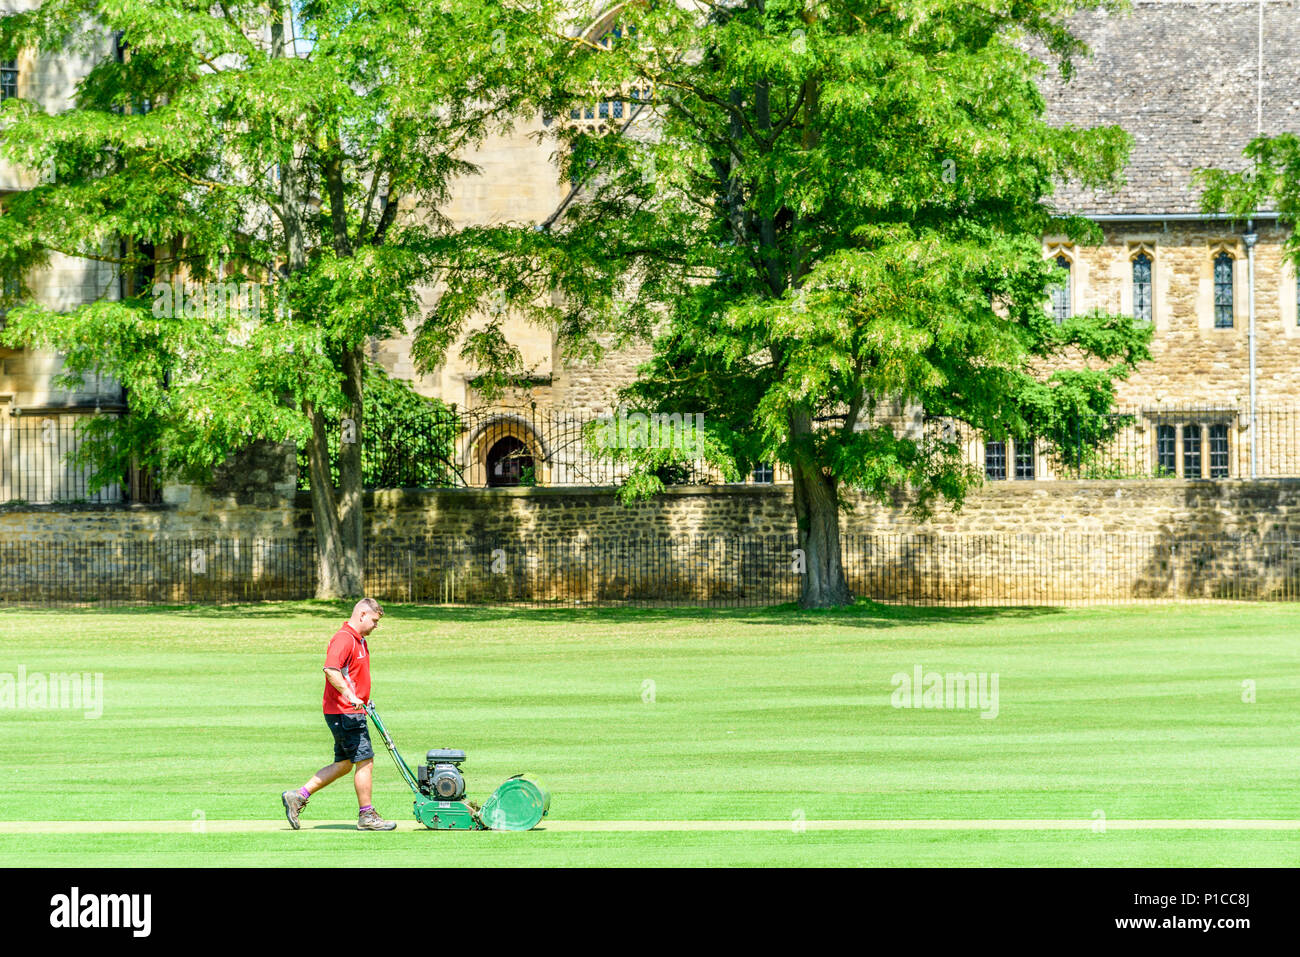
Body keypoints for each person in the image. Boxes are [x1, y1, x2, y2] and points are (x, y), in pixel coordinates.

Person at [281, 598, 397, 831]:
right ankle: (367, 815)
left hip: (349, 711)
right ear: (362, 614)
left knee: (344, 763)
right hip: (345, 712)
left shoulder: (360, 641)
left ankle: (298, 796)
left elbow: (353, 673)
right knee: (365, 761)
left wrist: (362, 698)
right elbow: (330, 670)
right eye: (374, 620)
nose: (377, 625)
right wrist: (351, 696)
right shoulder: (344, 639)